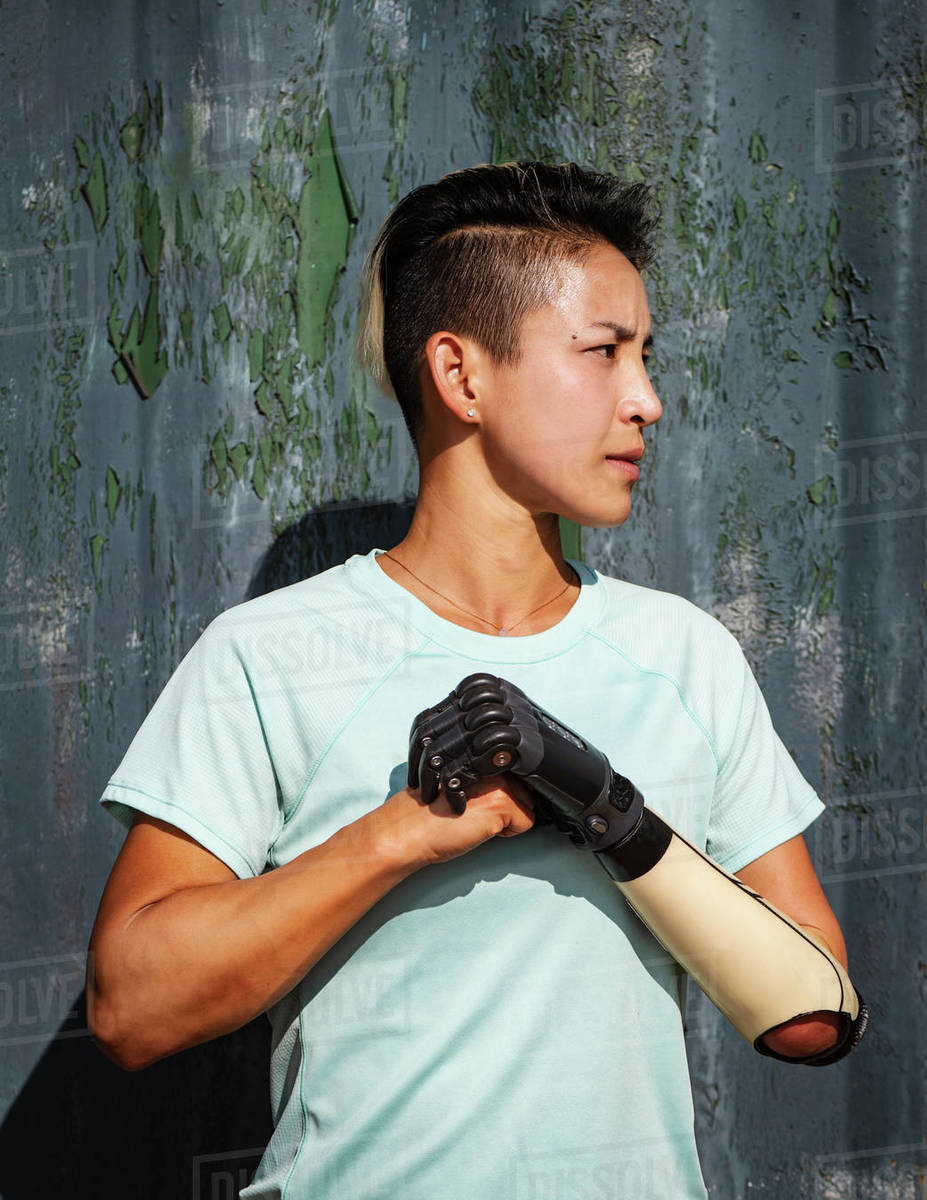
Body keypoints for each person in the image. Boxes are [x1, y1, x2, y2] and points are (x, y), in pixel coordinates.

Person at [87, 162, 861, 1199]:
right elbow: (131, 1007)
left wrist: (607, 808)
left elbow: (815, 1016)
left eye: (646, 356)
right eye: (605, 353)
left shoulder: (685, 656)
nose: (649, 400)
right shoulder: (268, 654)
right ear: (462, 376)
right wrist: (408, 829)